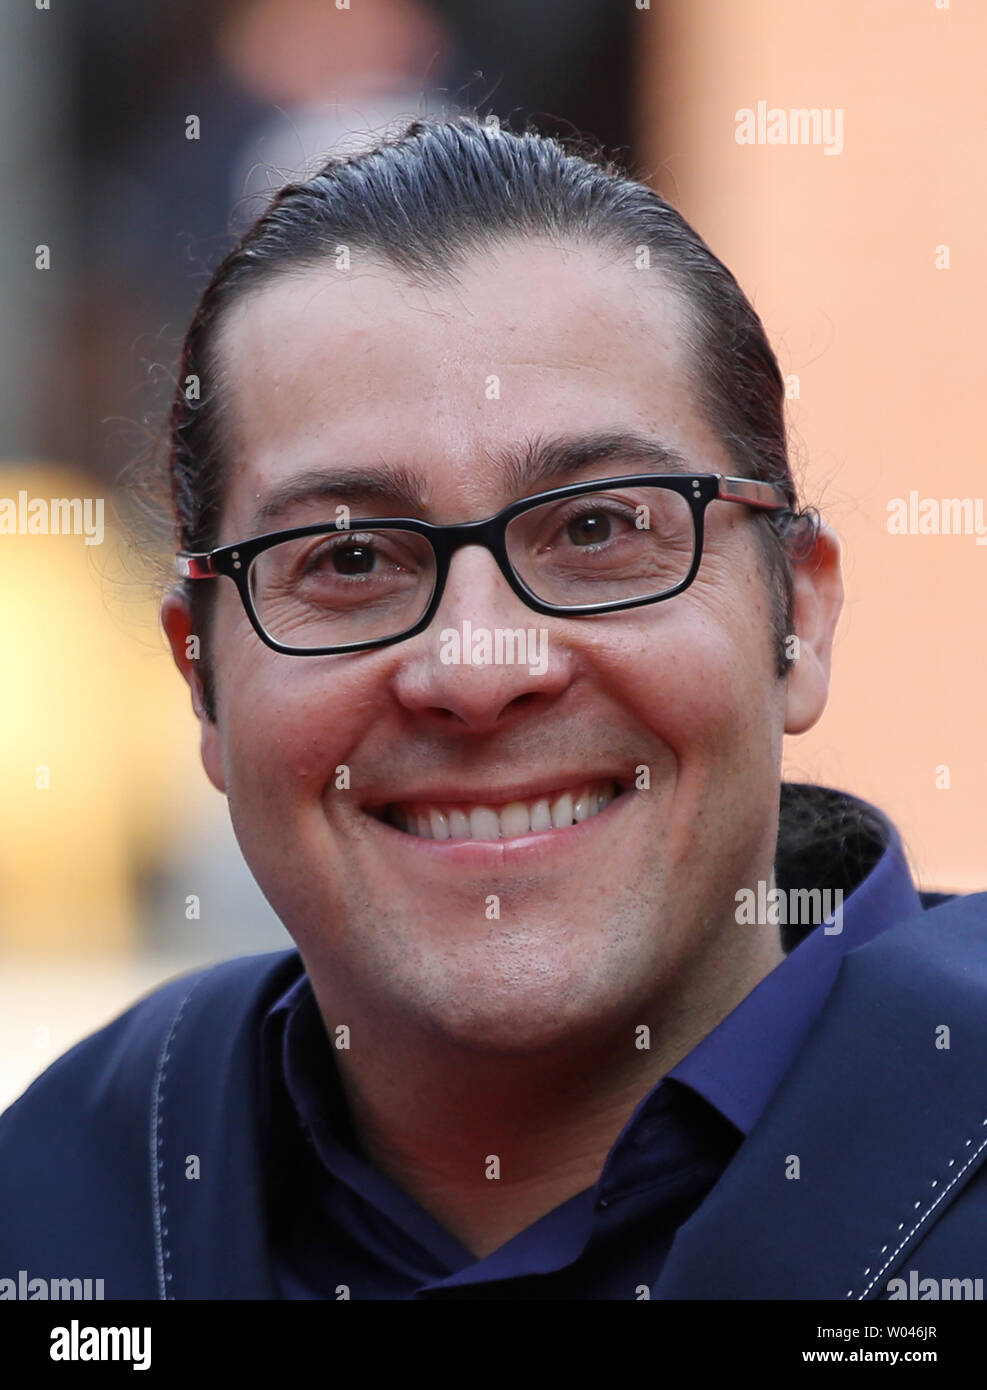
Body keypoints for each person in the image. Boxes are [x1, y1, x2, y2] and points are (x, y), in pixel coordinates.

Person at [2, 114, 986, 1302]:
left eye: (596, 528)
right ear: (200, 680)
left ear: (801, 621)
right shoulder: (63, 1218)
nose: (475, 667)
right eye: (351, 559)